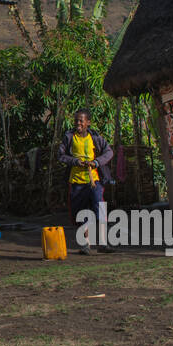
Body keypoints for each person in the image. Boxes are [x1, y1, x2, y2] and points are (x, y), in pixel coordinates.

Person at [57, 108, 114, 254]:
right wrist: (75, 161)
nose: (78, 123)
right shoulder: (69, 137)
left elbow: (109, 152)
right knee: (82, 213)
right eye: (76, 120)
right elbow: (61, 155)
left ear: (88, 122)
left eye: (81, 121)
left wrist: (96, 162)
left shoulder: (96, 138)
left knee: (100, 209)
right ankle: (85, 245)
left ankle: (103, 243)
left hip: (94, 180)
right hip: (76, 182)